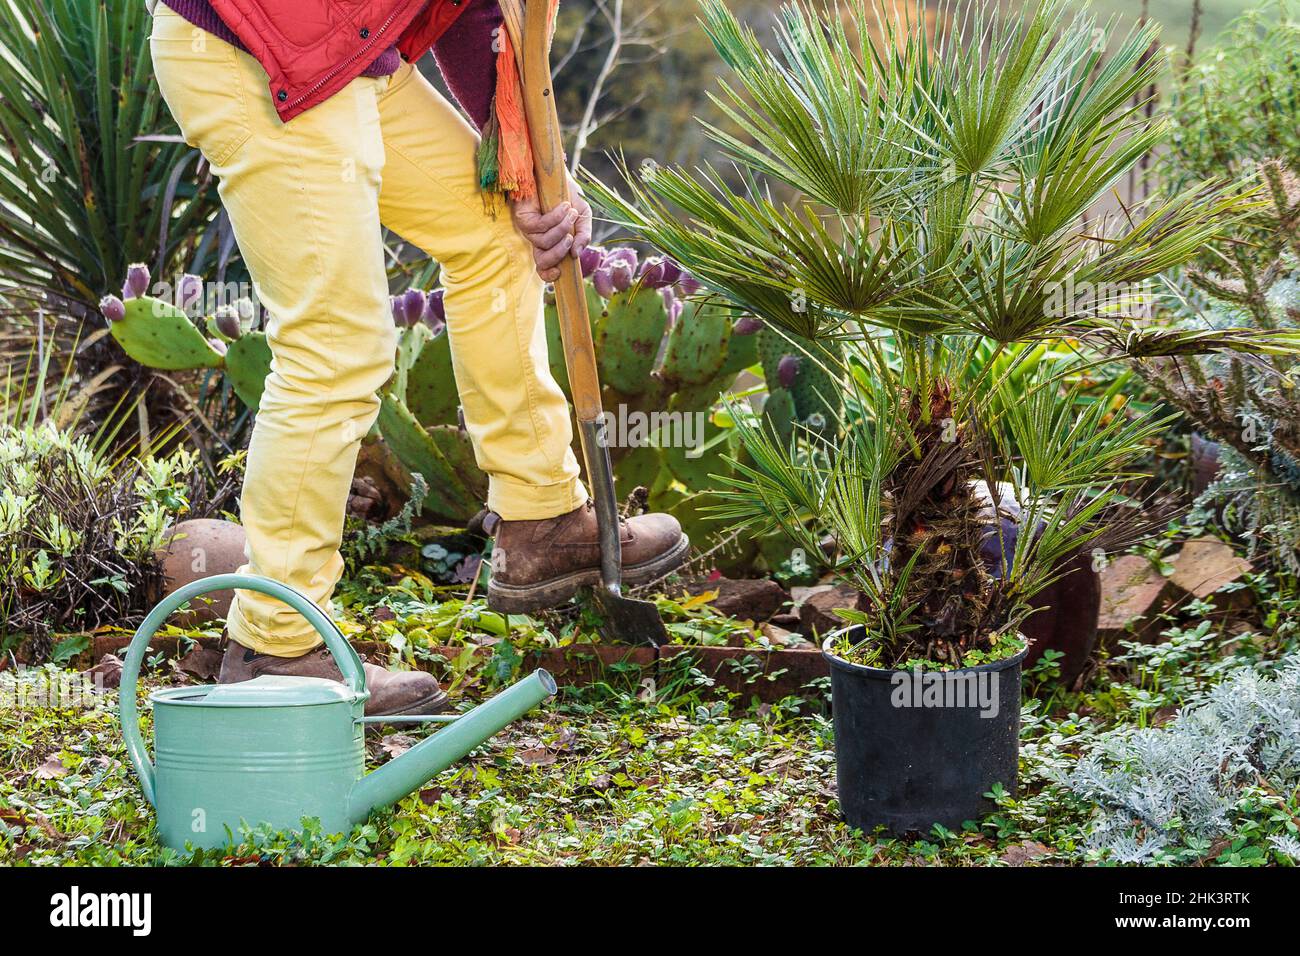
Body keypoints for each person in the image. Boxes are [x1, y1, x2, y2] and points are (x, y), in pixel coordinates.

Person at [146, 0, 688, 715]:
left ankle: (541, 521)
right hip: (258, 46)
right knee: (334, 344)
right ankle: (275, 645)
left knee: (495, 233)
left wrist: (523, 173)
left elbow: (482, 18)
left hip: (343, 48)